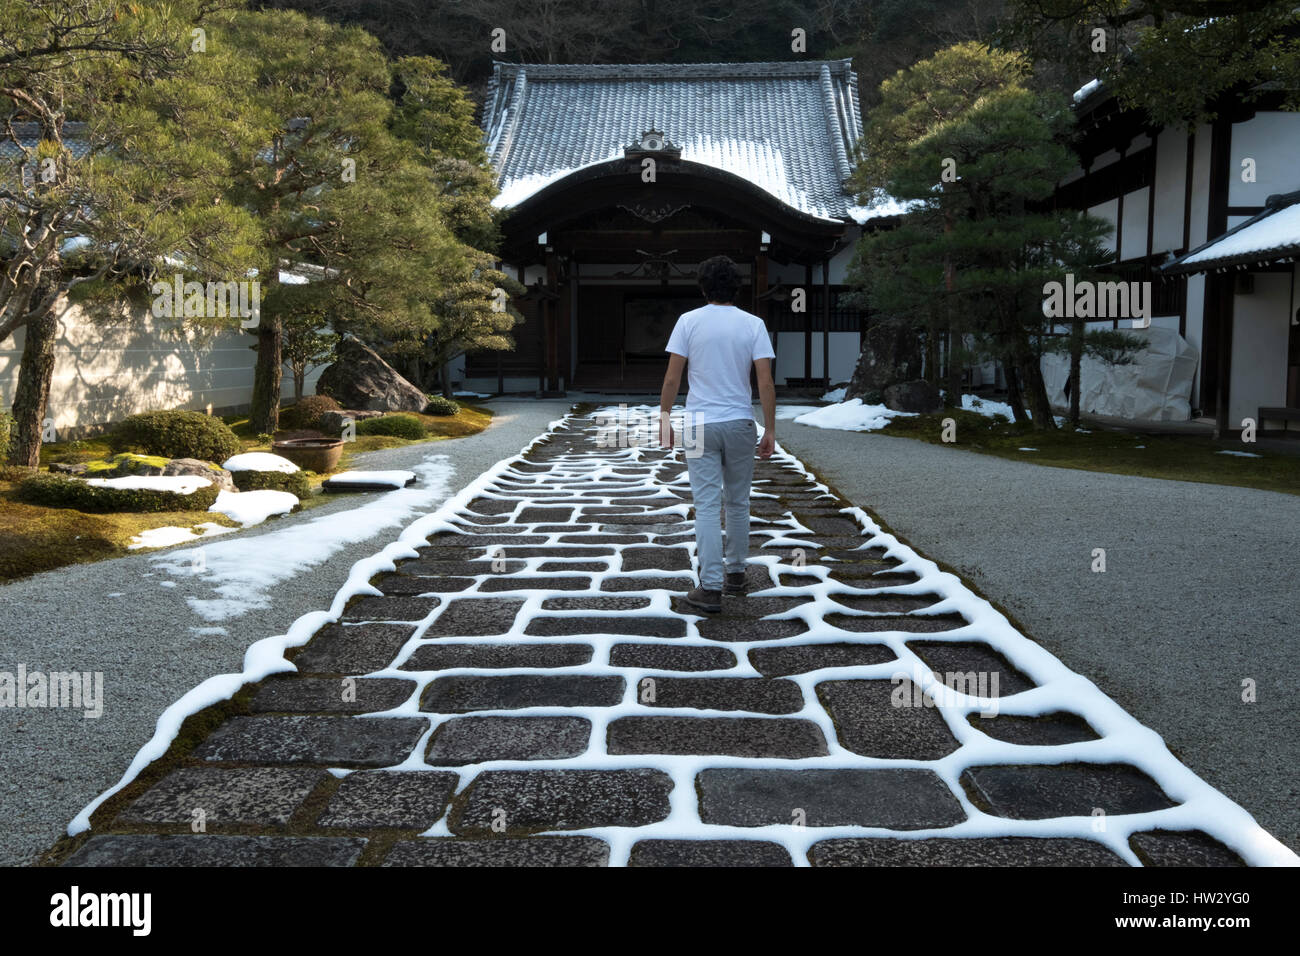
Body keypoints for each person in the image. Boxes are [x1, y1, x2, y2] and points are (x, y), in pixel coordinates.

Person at [659, 255, 777, 613]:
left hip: (699, 423)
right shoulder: (754, 324)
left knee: (707, 505)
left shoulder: (688, 321)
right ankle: (737, 574)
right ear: (736, 286)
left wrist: (664, 417)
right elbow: (765, 381)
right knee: (739, 501)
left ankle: (710, 587)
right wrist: (769, 428)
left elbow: (672, 378)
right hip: (740, 422)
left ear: (703, 286)